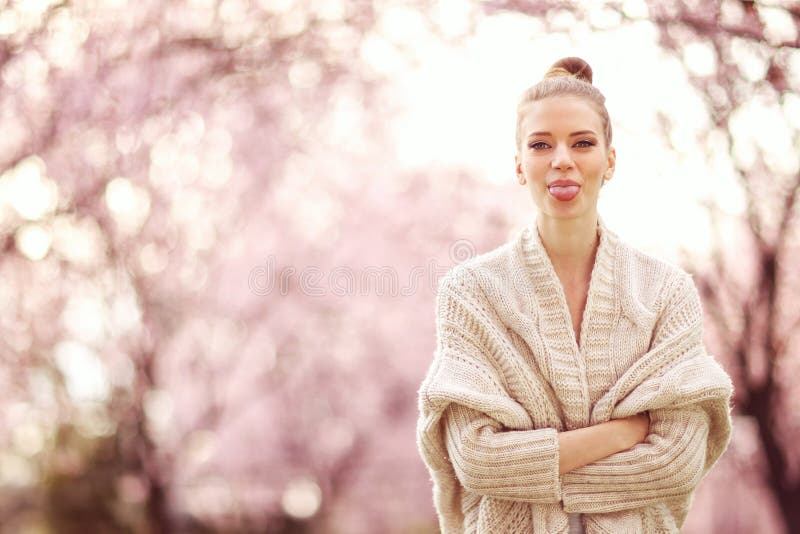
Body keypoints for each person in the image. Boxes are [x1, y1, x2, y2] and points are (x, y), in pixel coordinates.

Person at [415, 57, 734, 533]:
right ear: (520, 165)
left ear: (610, 160)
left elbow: (676, 458)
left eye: (582, 143)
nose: (561, 159)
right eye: (541, 144)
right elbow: (477, 460)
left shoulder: (666, 292)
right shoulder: (470, 294)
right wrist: (626, 432)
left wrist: (532, 467)